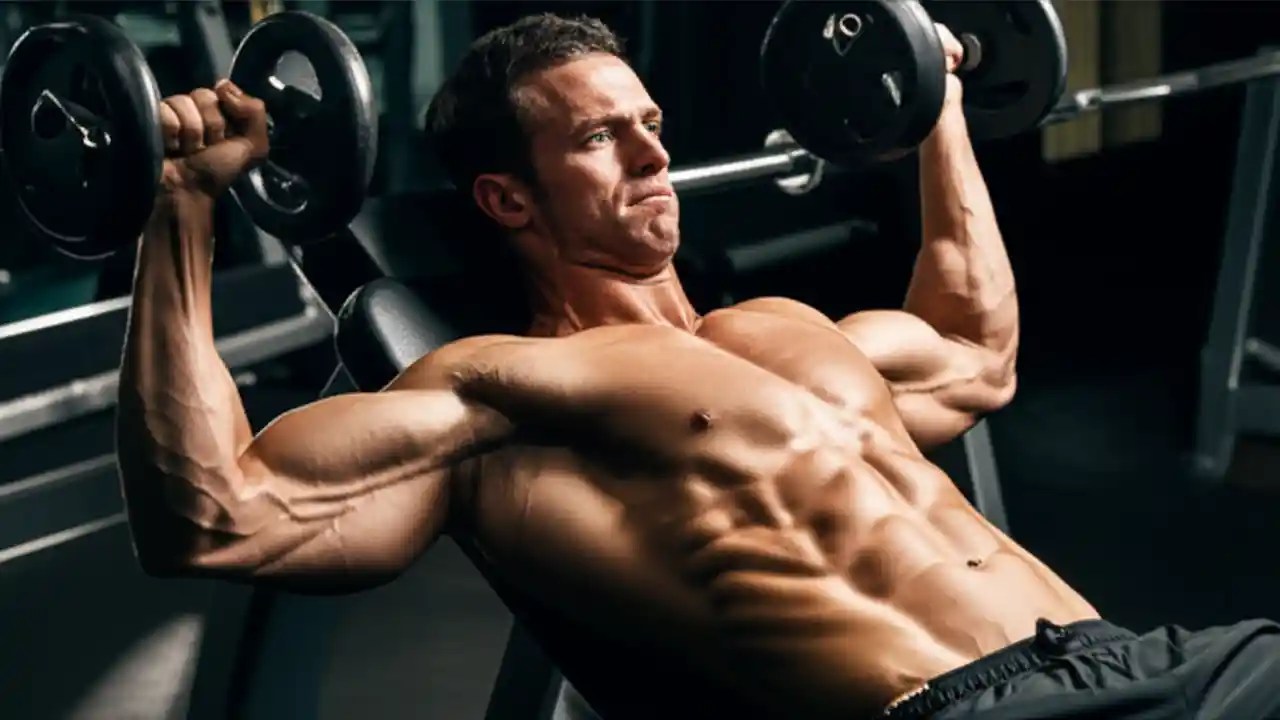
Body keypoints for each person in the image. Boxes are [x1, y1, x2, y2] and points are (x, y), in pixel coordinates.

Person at [116, 12, 1280, 720]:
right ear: (508, 197)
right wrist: (182, 208)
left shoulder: (785, 330)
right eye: (596, 136)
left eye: (648, 120)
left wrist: (934, 111)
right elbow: (217, 515)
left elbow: (976, 353)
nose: (651, 152)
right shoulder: (506, 390)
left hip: (1135, 663)